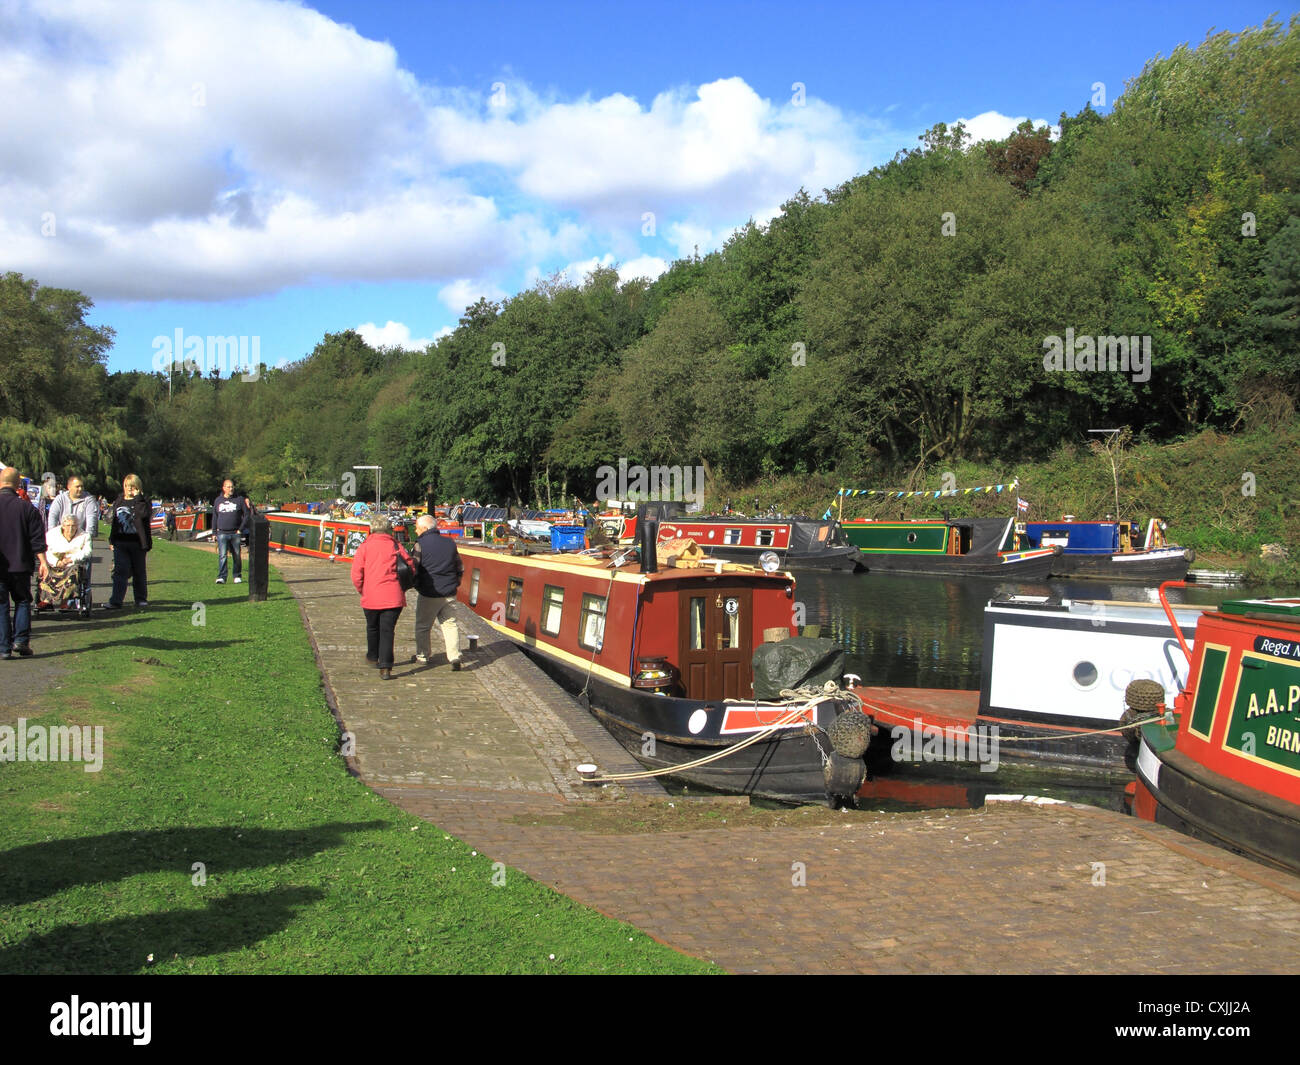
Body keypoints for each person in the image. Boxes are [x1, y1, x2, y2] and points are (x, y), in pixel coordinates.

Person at [350, 515, 415, 680]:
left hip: (371, 594)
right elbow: (410, 566)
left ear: (371, 528)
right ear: (387, 528)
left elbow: (356, 574)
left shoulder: (364, 547)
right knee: (387, 631)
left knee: (372, 627)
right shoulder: (395, 545)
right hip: (393, 595)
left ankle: (372, 657)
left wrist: (362, 589)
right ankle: (385, 667)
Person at [0, 467, 49, 658]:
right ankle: (20, 640)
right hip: (21, 564)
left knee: (2, 605)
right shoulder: (27, 508)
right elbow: (37, 539)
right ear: (18, 485)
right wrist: (43, 562)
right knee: (22, 601)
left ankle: (4, 648)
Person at [412, 513, 464, 670]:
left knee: (423, 625)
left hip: (429, 592)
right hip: (449, 592)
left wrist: (416, 584)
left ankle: (422, 655)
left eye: (417, 528)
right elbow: (460, 567)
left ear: (425, 528)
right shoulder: (450, 543)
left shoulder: (420, 545)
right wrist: (455, 583)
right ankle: (454, 656)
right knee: (450, 624)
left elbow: (414, 567)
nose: (415, 531)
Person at [105, 474, 152, 609]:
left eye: (132, 486)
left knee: (139, 571)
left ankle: (140, 599)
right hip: (121, 541)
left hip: (137, 542)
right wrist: (112, 539)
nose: (129, 489)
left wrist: (138, 498)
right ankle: (116, 601)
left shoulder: (143, 501)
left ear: (137, 487)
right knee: (120, 570)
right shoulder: (119, 500)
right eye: (126, 486)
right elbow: (115, 521)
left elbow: (142, 515)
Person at [40, 515, 91, 605]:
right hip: (54, 563)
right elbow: (45, 550)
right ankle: (47, 600)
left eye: (74, 525)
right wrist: (57, 562)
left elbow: (87, 552)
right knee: (46, 570)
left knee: (75, 571)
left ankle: (66, 599)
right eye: (68, 525)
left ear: (77, 526)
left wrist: (71, 559)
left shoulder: (85, 535)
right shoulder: (52, 534)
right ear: (63, 525)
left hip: (72, 564)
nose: (71, 528)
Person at [213, 479, 249, 583]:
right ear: (224, 488)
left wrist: (240, 529)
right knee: (222, 556)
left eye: (232, 487)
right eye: (228, 487)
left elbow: (246, 514)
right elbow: (215, 516)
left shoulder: (239, 499)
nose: (231, 489)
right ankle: (222, 577)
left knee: (237, 555)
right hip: (222, 532)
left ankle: (237, 576)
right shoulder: (218, 500)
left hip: (235, 533)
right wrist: (214, 532)